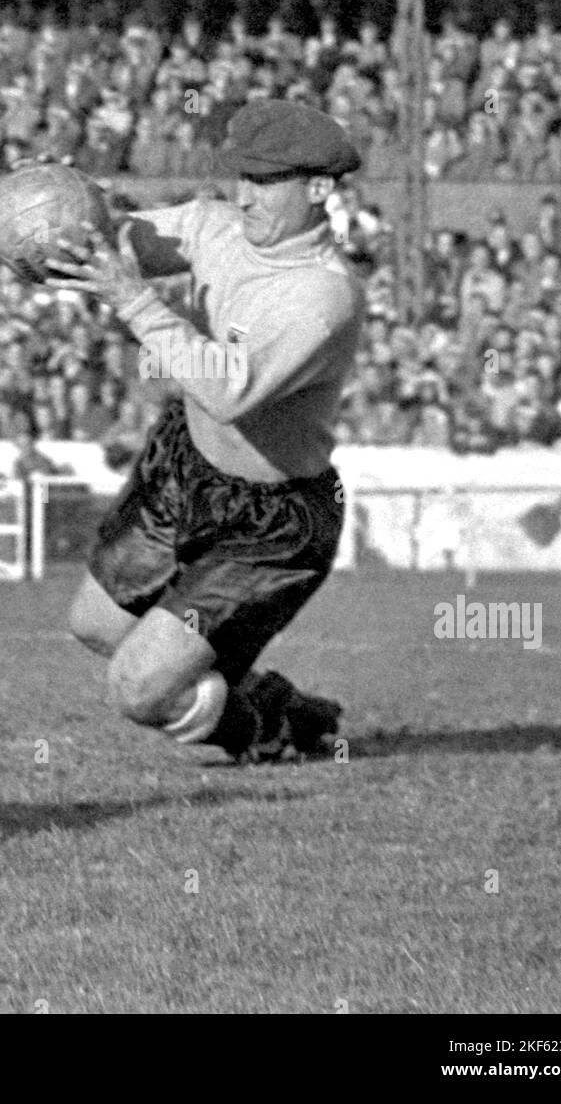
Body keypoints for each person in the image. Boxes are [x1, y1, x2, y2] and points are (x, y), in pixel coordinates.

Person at [47, 100, 366, 764]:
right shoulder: (210, 226)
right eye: (242, 179)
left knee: (140, 687)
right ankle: (285, 708)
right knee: (96, 625)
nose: (246, 198)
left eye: (266, 183)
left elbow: (228, 391)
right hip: (186, 469)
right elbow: (102, 243)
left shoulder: (323, 295)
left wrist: (133, 298)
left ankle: (263, 732)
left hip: (271, 526)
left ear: (318, 190)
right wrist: (56, 207)